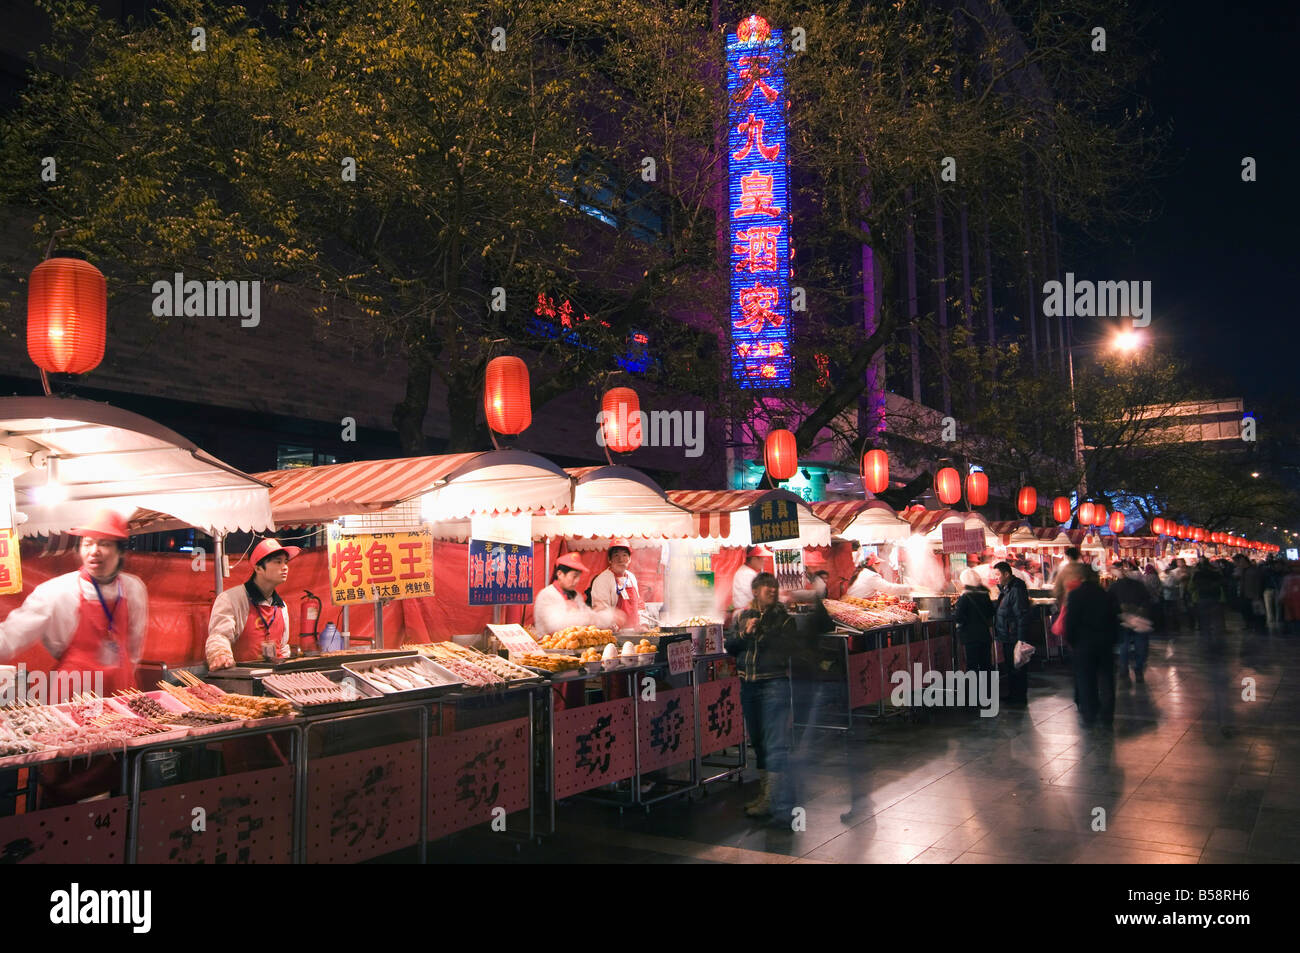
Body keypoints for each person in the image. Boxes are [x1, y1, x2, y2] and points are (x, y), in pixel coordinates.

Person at [0, 509, 149, 806]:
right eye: (87, 542)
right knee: (67, 779)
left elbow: (134, 646)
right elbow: (12, 634)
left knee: (116, 781)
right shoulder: (56, 591)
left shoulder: (133, 589)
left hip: (118, 703)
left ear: (120, 551)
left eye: (105, 543)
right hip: (70, 698)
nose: (94, 550)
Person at [726, 572, 803, 821]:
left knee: (774, 742)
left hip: (774, 685)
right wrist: (744, 634)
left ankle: (773, 799)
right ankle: (765, 793)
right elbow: (730, 647)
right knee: (758, 740)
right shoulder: (742, 616)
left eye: (774, 586)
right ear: (755, 591)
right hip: (748, 685)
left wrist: (764, 632)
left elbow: (789, 650)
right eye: (766, 586)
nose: (771, 590)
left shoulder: (784, 619)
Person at [206, 538, 301, 669]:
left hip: (275, 680)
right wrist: (220, 655)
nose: (285, 567)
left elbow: (283, 647)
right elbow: (219, 636)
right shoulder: (230, 599)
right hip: (243, 680)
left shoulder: (281, 606)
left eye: (286, 562)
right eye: (278, 562)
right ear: (258, 568)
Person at [1064, 565, 1119, 727]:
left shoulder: (1076, 595)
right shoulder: (1106, 595)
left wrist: (1071, 641)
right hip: (1105, 643)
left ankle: (1090, 712)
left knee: (1085, 678)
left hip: (1083, 644)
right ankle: (1108, 714)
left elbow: (1071, 621)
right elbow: (1114, 620)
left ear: (1081, 577)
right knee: (1106, 679)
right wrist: (1113, 640)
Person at [532, 552, 618, 636]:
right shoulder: (547, 595)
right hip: (548, 646)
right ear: (560, 574)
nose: (577, 581)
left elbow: (589, 619)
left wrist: (607, 617)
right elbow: (556, 625)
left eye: (579, 577)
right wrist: (583, 615)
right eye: (574, 576)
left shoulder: (577, 596)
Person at [993, 561, 1031, 703]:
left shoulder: (1015, 590)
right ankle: (1014, 694)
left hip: (1013, 635)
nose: (995, 578)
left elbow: (1021, 615)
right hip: (1008, 635)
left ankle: (1019, 696)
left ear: (1006, 574)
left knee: (1017, 666)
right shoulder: (1006, 590)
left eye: (997, 575)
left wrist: (1021, 640)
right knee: (1011, 666)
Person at [590, 538, 647, 631]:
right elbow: (600, 608)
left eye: (624, 555)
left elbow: (639, 604)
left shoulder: (631, 577)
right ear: (609, 559)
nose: (620, 559)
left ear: (629, 559)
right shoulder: (602, 580)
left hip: (635, 632)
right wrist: (610, 624)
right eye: (616, 555)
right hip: (615, 633)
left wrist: (644, 624)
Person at [1110, 560, 1153, 683]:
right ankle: (1137, 669)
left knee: (1125, 646)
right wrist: (1140, 609)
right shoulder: (1139, 586)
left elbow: (1111, 604)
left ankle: (1125, 669)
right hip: (1139, 620)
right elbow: (1147, 600)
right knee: (1139, 646)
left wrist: (1120, 611)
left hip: (1124, 620)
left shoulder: (1115, 587)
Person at [953, 568, 994, 682]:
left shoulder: (965, 597)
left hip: (970, 637)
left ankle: (974, 696)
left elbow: (958, 617)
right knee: (986, 665)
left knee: (972, 666)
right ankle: (989, 694)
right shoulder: (985, 595)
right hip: (985, 635)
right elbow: (991, 612)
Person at [844, 553, 911, 600]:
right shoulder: (871, 575)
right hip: (858, 606)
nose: (880, 567)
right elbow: (890, 588)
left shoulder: (863, 572)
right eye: (879, 564)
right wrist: (910, 588)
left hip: (852, 603)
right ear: (874, 565)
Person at [730, 545, 771, 614]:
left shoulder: (748, 571)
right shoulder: (746, 573)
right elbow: (758, 596)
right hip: (745, 616)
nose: (764, 561)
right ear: (754, 559)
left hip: (747, 613)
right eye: (762, 558)